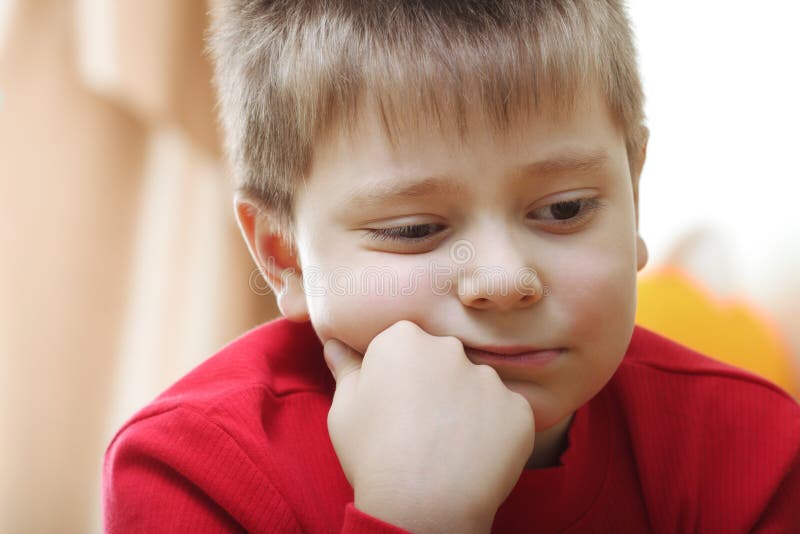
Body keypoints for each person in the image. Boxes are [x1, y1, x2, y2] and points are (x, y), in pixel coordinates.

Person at [102, 1, 800, 532]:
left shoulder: (753, 451)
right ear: (283, 257)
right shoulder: (191, 473)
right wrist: (415, 514)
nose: (503, 279)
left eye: (564, 210)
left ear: (635, 199)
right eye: (415, 230)